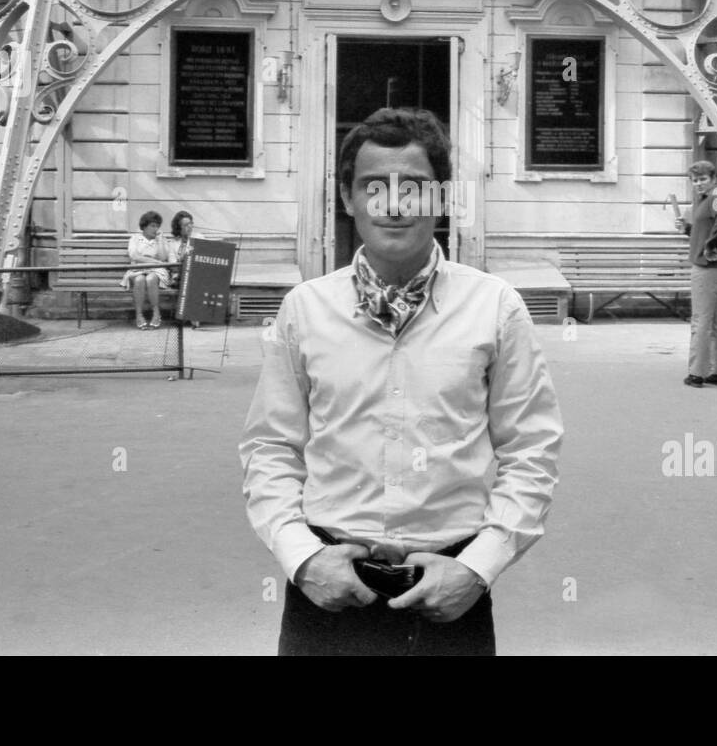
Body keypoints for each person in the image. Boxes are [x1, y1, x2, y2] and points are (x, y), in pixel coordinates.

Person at [240, 107, 564, 656]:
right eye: (373, 186)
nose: (393, 204)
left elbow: (531, 449)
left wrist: (478, 568)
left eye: (413, 187)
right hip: (327, 592)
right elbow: (271, 446)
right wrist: (302, 557)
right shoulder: (304, 310)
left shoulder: (495, 309)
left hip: (450, 590)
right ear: (347, 199)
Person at [677, 160, 717, 387]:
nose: (699, 183)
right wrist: (689, 229)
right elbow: (711, 225)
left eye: (703, 179)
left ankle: (696, 372)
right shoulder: (704, 199)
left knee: (700, 319)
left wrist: (709, 244)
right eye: (695, 180)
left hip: (707, 264)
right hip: (716, 263)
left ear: (713, 179)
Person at [120, 210, 171, 329]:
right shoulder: (135, 238)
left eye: (157, 226)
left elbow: (163, 257)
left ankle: (156, 313)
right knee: (139, 280)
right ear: (144, 226)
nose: (156, 229)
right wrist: (155, 261)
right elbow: (135, 256)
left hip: (156, 270)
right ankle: (138, 315)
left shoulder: (160, 239)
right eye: (152, 226)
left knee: (151, 279)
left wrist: (160, 241)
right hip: (138, 268)